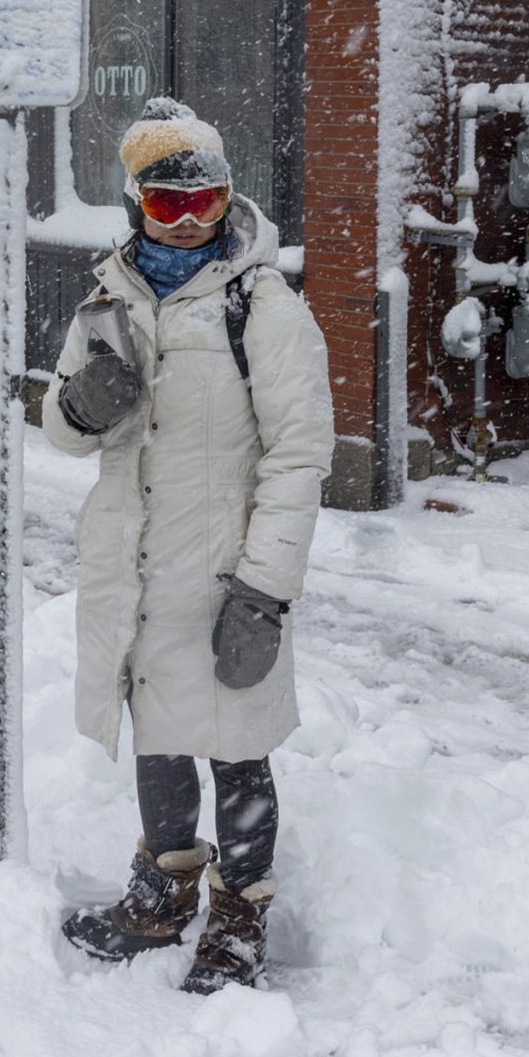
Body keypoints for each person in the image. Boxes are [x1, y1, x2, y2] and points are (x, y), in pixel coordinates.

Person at [44, 98, 332, 994]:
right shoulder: (106, 302)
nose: (191, 221)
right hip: (132, 571)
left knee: (236, 742)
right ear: (136, 207)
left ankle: (240, 914)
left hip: (222, 575)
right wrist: (83, 403)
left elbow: (300, 453)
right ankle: (164, 894)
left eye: (206, 202)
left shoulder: (264, 308)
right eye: (169, 207)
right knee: (158, 738)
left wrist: (265, 588)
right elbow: (61, 426)